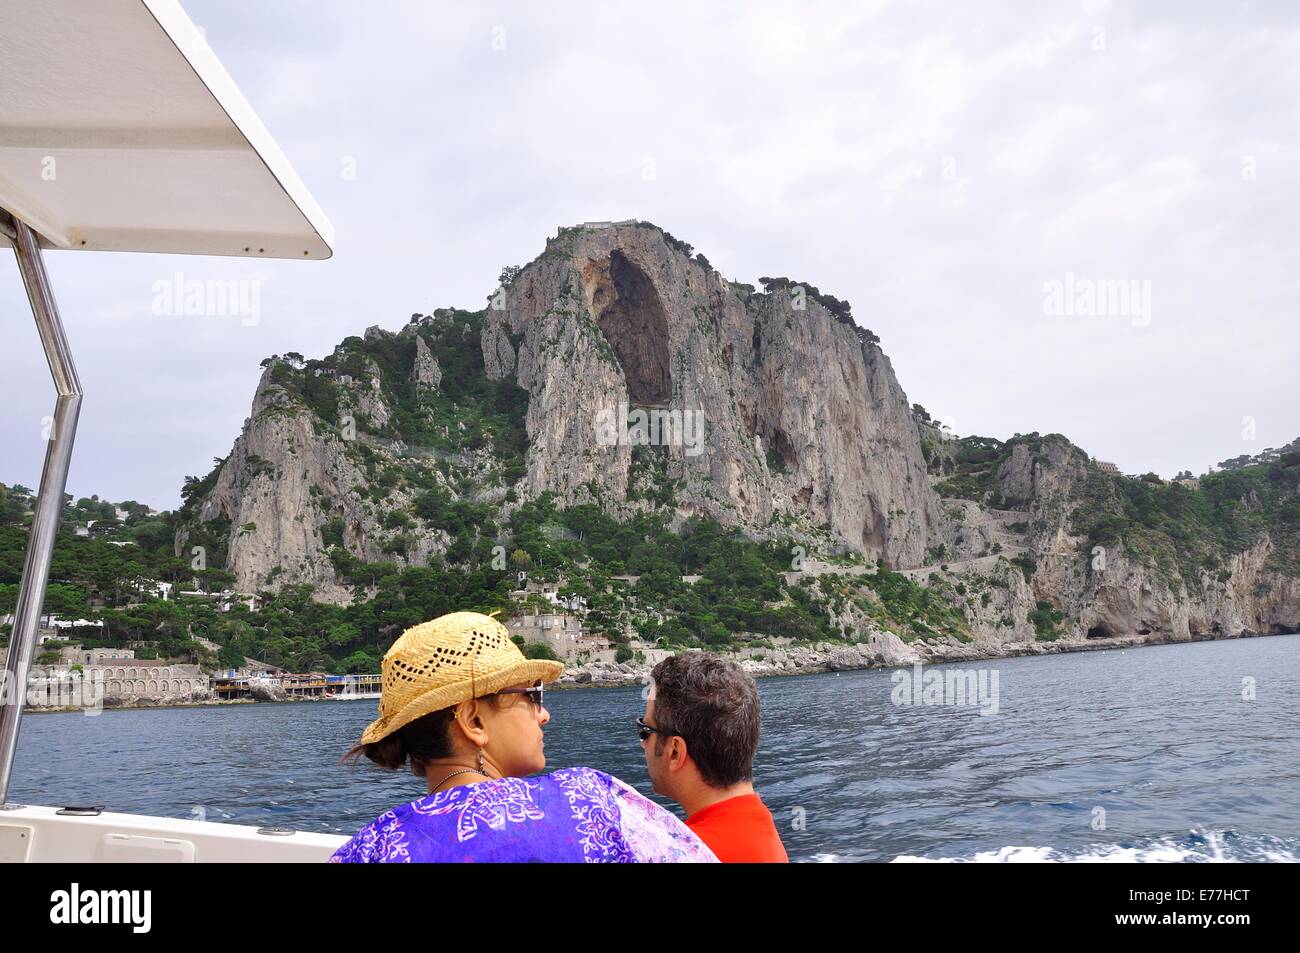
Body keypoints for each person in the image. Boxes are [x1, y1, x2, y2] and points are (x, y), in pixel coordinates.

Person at [331, 611, 716, 863]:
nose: (544, 714)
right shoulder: (591, 799)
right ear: (473, 721)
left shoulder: (368, 850)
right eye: (532, 695)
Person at [640, 652, 788, 862]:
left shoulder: (682, 854)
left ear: (675, 751)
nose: (642, 743)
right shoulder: (758, 829)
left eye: (645, 731)